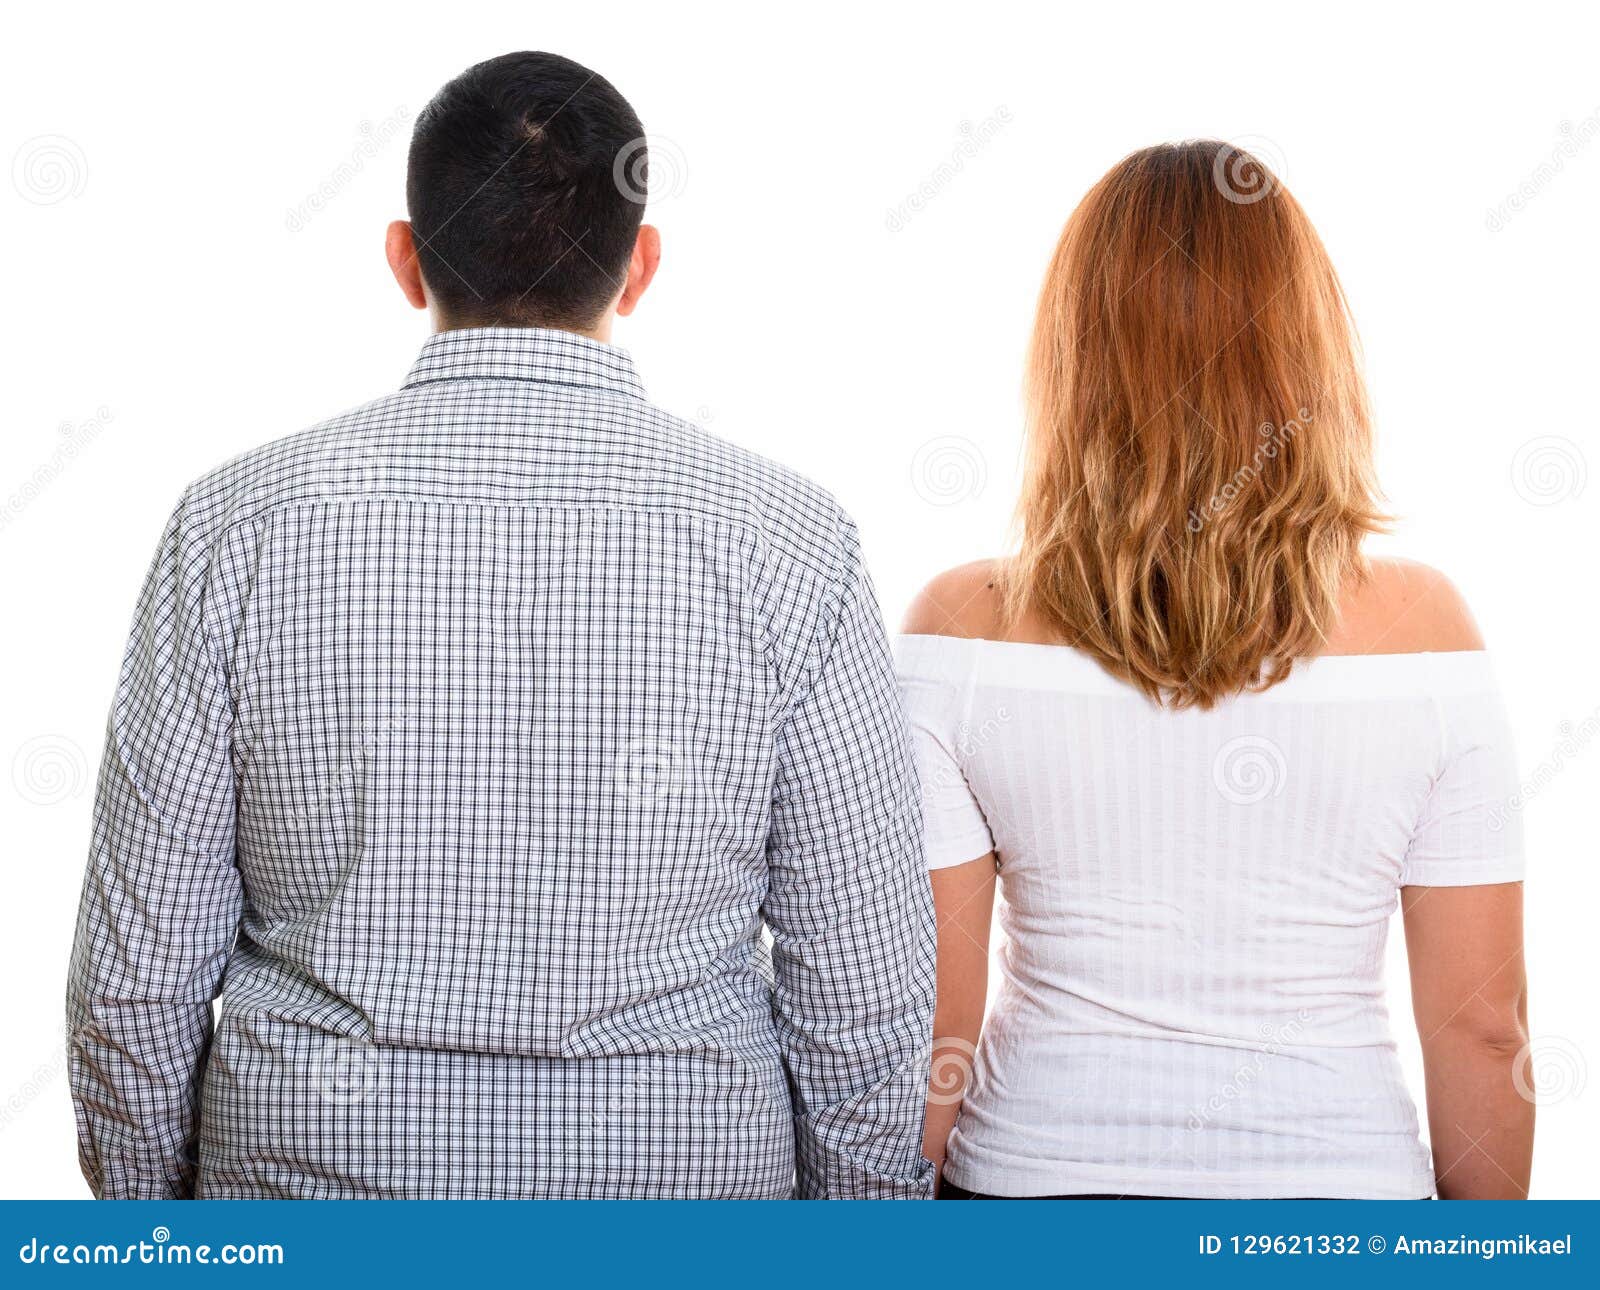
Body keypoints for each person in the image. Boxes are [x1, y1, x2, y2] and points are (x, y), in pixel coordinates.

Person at [66, 51, 935, 1200]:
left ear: (403, 258)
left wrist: (154, 1236)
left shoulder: (235, 525)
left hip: (312, 1197)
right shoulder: (792, 541)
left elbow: (136, 968)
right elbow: (861, 980)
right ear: (641, 268)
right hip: (681, 1205)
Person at [899, 141, 1532, 1200]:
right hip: (1339, 1202)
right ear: (1309, 349)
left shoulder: (965, 625)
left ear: (1072, 354)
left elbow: (931, 1018)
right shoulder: (1425, 630)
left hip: (1030, 1196)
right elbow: (1479, 1024)